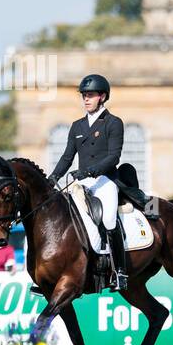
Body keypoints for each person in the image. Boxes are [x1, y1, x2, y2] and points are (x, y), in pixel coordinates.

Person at [50, 73, 140, 292]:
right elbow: (66, 157)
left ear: (102, 96)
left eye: (90, 95)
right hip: (82, 184)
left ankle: (119, 272)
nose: (86, 99)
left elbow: (113, 157)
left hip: (105, 180)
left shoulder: (113, 123)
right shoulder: (77, 126)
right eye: (84, 96)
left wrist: (90, 171)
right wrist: (51, 179)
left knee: (108, 219)